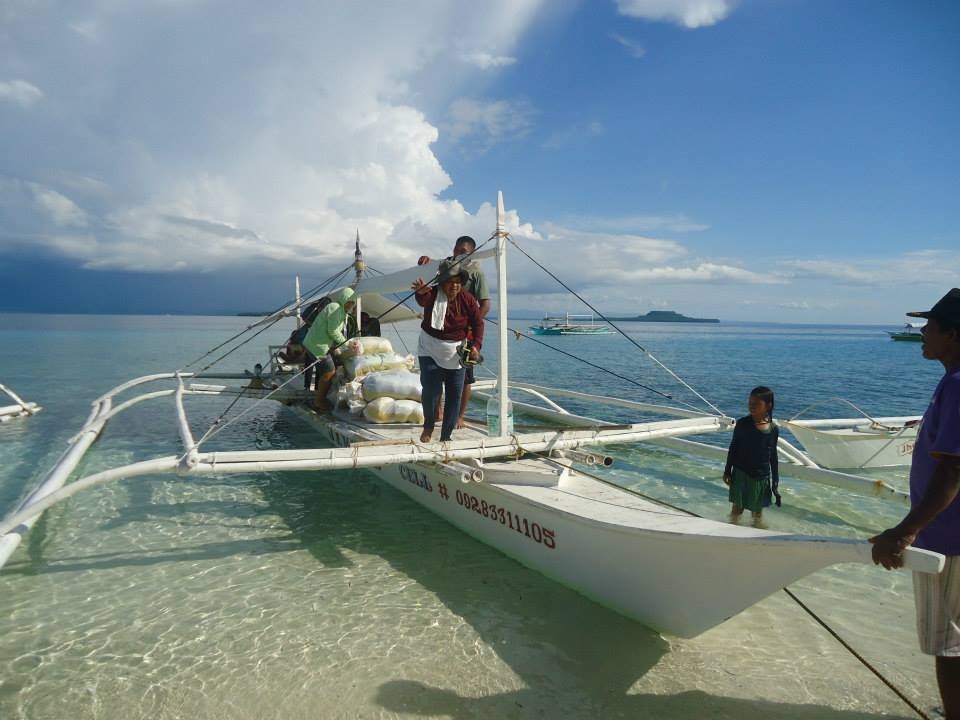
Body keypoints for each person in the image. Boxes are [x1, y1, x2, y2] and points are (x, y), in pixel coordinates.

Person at [870, 288, 960, 719]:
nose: (923, 332)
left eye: (932, 325)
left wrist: (904, 531)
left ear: (954, 334)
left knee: (950, 644)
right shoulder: (952, 381)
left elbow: (953, 471)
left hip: (950, 540)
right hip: (949, 535)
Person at [418, 235, 491, 428]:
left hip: (463, 335)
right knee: (439, 374)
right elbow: (431, 281)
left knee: (464, 378)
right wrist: (426, 261)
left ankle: (460, 416)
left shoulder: (477, 274)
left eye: (464, 252)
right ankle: (438, 411)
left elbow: (485, 304)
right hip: (441, 331)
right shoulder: (446, 266)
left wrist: (471, 328)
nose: (459, 254)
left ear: (472, 253)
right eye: (457, 250)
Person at [411, 259, 484, 443]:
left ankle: (446, 435)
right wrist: (420, 293)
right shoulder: (433, 293)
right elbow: (423, 299)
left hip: (455, 352)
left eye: (458, 282)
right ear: (443, 282)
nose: (455, 286)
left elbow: (478, 324)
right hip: (429, 348)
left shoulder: (467, 299)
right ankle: (428, 426)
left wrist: (476, 346)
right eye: (451, 282)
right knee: (431, 390)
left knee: (454, 394)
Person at [723, 386, 781, 528]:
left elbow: (773, 455)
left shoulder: (773, 428)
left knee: (757, 512)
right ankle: (731, 532)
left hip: (761, 475)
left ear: (768, 406)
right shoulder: (743, 424)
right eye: (750, 403)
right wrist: (727, 471)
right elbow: (733, 448)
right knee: (737, 509)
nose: (751, 406)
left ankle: (757, 535)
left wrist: (775, 481)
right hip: (741, 472)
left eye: (756, 404)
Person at [302, 287, 356, 411]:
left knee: (324, 371)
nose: (350, 305)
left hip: (315, 344)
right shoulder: (336, 308)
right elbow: (333, 331)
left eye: (352, 303)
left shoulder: (339, 310)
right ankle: (319, 401)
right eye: (349, 301)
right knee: (329, 371)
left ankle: (320, 397)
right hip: (318, 346)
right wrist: (348, 344)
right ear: (343, 299)